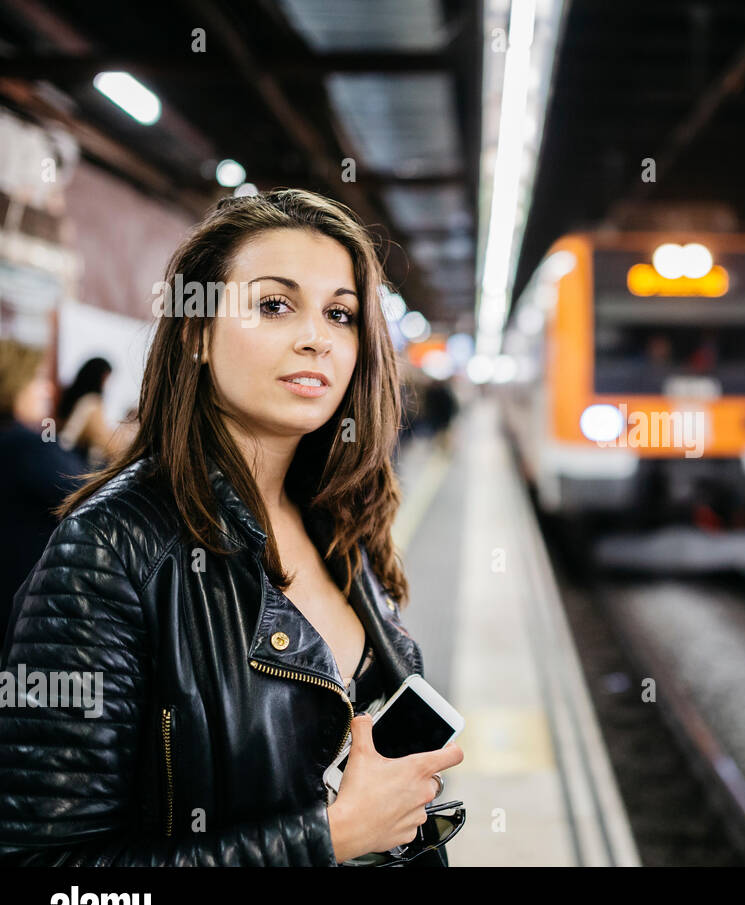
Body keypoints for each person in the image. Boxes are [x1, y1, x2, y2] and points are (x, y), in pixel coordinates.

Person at [0, 188, 463, 866]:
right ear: (196, 333)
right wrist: (326, 838)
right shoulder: (110, 550)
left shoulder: (339, 522)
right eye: (276, 305)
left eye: (340, 314)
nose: (316, 337)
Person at [0, 340, 88, 620]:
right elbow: (91, 493)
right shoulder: (25, 446)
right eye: (37, 379)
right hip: (25, 612)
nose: (48, 388)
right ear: (15, 380)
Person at [55, 356, 134, 468]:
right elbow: (104, 441)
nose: (106, 385)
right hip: (74, 461)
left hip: (64, 454)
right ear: (98, 377)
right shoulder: (92, 402)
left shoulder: (68, 395)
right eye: (106, 379)